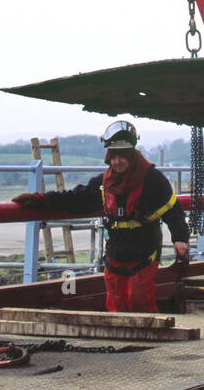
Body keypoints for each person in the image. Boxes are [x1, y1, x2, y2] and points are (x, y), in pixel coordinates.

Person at [13, 120, 190, 312]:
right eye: (114, 157)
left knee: (139, 300)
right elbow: (76, 199)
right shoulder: (104, 183)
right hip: (116, 251)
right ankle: (121, 340)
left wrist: (180, 239)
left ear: (132, 156)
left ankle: (152, 339)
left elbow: (173, 209)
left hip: (145, 250)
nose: (117, 162)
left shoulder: (152, 179)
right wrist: (42, 200)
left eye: (122, 156)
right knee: (116, 302)